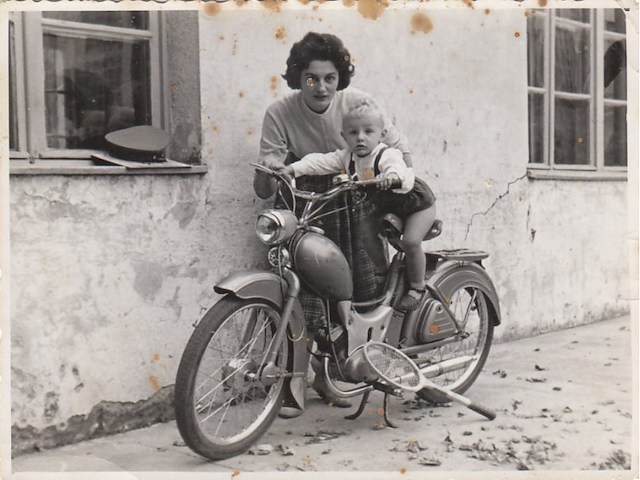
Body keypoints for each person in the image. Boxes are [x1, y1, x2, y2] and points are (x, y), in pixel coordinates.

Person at [255, 32, 412, 419]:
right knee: (298, 291)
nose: (321, 87)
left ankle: (330, 375)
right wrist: (273, 171)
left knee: (348, 293)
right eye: (311, 78)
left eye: (330, 77)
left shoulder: (358, 104)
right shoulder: (279, 113)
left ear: (340, 77)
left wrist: (395, 198)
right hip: (302, 200)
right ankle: (293, 385)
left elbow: (399, 150)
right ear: (298, 78)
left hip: (354, 200)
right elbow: (262, 185)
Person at [280, 98, 436, 310]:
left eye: (368, 132)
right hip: (388, 207)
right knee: (366, 237)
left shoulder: (386, 154)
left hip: (417, 204)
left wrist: (391, 177)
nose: (360, 138)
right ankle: (382, 274)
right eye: (353, 133)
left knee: (410, 242)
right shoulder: (347, 157)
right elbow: (320, 162)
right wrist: (294, 169)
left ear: (381, 134)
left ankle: (417, 287)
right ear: (344, 136)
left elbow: (402, 173)